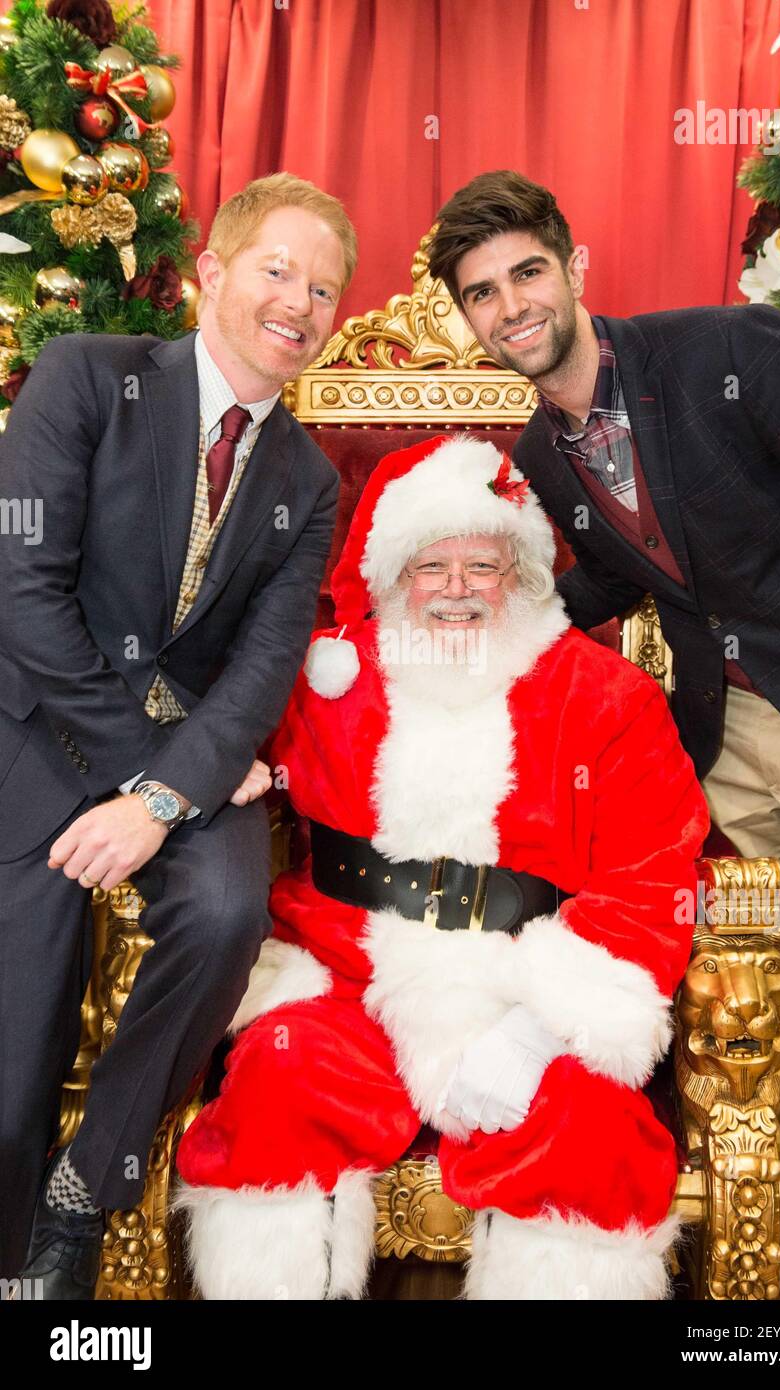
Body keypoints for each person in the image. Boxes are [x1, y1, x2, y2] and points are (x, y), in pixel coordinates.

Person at [426, 170, 780, 1292]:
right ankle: (768, 1247)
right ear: (466, 320)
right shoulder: (538, 457)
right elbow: (615, 584)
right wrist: (482, 639)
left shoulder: (729, 350)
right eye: (481, 293)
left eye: (526, 272)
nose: (510, 305)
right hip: (718, 747)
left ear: (573, 270)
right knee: (754, 996)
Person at [171, 433, 709, 1300]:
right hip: (347, 972)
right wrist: (221, 768)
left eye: (483, 566)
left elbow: (652, 878)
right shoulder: (327, 679)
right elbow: (223, 735)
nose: (456, 591)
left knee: (587, 1126)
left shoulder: (608, 698)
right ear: (393, 577)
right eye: (432, 565)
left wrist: (538, 1029)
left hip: (525, 983)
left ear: (524, 575)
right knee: (279, 1074)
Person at [0, 172, 355, 1297]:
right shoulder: (86, 379)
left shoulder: (310, 480)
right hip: (40, 725)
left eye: (326, 290)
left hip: (187, 764)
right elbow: (20, 593)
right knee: (13, 1046)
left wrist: (162, 801)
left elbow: (258, 674)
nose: (301, 302)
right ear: (211, 270)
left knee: (225, 908)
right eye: (278, 269)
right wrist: (144, 777)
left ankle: (85, 1188)